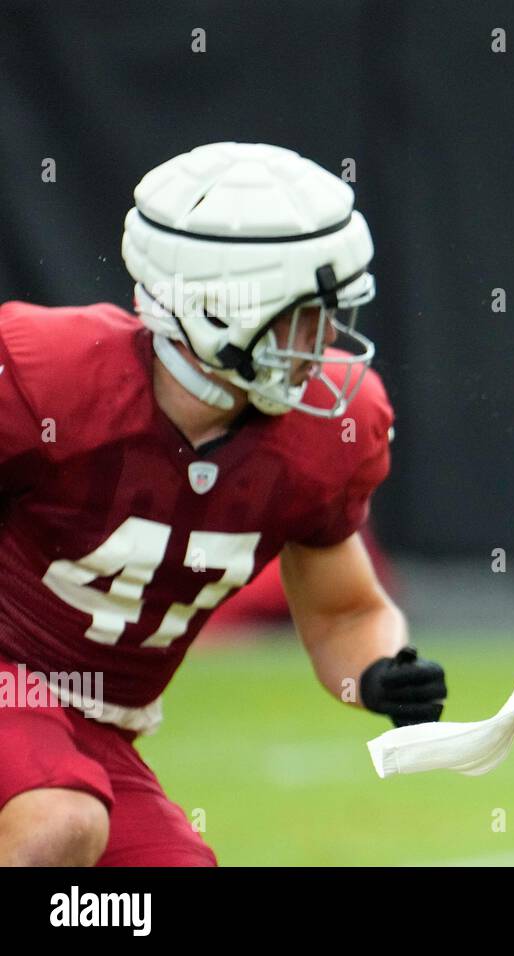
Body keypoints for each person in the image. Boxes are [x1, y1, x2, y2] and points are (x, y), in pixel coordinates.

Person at [0, 142, 447, 866]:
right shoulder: (44, 375)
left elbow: (343, 613)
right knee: (58, 825)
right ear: (217, 310)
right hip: (19, 701)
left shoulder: (329, 432)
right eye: (302, 317)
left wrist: (380, 671)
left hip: (91, 727)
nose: (326, 341)